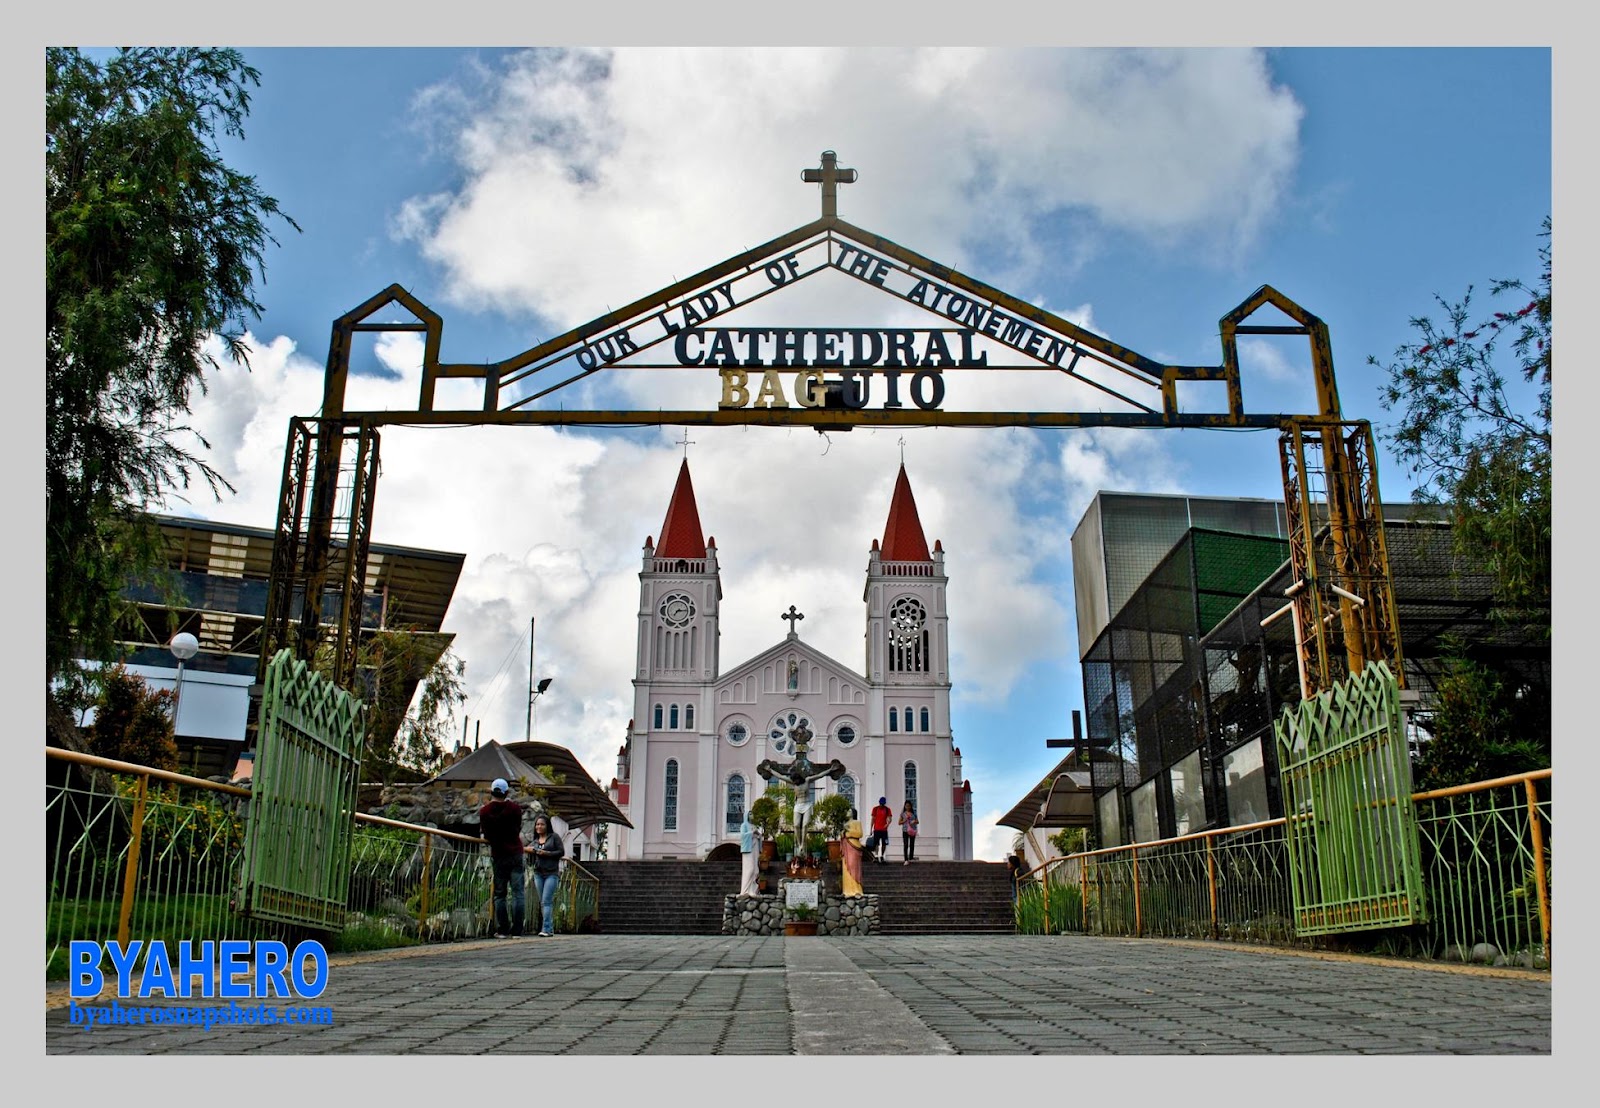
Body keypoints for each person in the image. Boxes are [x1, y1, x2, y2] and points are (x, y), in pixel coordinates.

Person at [478, 777, 528, 938]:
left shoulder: (484, 812)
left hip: (499, 855)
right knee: (518, 892)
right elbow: (518, 827)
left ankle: (503, 930)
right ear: (506, 792)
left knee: (500, 894)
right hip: (515, 853)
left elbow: (486, 833)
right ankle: (518, 930)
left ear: (492, 791)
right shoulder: (515, 809)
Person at [527, 812, 565, 937]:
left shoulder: (554, 837)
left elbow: (561, 852)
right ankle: (549, 927)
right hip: (538, 873)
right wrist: (531, 850)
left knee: (546, 901)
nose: (539, 827)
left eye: (542, 824)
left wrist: (547, 853)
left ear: (547, 826)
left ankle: (546, 929)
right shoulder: (535, 841)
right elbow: (526, 849)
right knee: (542, 901)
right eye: (537, 824)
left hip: (551, 873)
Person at [840, 808, 865, 897]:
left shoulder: (856, 822)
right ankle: (847, 890)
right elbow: (842, 835)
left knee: (854, 867)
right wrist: (843, 833)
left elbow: (859, 833)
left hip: (854, 846)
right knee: (846, 867)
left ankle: (856, 890)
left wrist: (848, 832)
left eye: (849, 811)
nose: (847, 812)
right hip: (846, 846)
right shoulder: (845, 824)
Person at [739, 813, 761, 898]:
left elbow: (758, 836)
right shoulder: (744, 825)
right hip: (748, 848)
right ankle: (745, 890)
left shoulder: (754, 825)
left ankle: (753, 890)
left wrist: (759, 835)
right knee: (750, 869)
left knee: (756, 870)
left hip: (755, 847)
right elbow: (742, 836)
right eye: (750, 813)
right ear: (747, 815)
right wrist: (752, 833)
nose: (752, 815)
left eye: (752, 813)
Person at [868, 796, 893, 863]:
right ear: (879, 803)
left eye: (883, 804)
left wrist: (887, 824)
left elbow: (890, 818)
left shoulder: (887, 809)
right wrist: (870, 829)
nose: (881, 805)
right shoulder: (875, 809)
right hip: (877, 829)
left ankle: (881, 856)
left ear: (884, 803)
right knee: (876, 843)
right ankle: (876, 856)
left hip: (884, 830)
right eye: (881, 803)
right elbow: (873, 819)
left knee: (884, 843)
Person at [898, 800, 919, 864]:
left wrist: (914, 821)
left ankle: (911, 857)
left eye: (909, 806)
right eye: (906, 806)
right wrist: (904, 820)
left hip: (912, 830)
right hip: (905, 830)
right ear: (905, 806)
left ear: (911, 806)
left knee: (912, 844)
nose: (908, 807)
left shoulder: (914, 813)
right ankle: (906, 859)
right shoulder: (903, 814)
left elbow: (917, 821)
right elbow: (899, 822)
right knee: (906, 844)